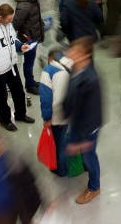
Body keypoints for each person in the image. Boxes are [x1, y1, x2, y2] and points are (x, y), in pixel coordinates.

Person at [63, 37, 103, 205]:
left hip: (87, 129)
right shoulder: (75, 69)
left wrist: (85, 140)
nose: (70, 53)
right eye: (71, 50)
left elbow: (94, 111)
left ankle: (94, 187)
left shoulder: (91, 79)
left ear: (86, 56)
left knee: (89, 156)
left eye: (76, 52)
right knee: (69, 148)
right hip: (76, 122)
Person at [39, 49, 74, 177]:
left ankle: (61, 170)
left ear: (50, 59)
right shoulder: (74, 66)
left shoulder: (48, 71)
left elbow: (46, 98)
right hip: (74, 112)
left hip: (58, 116)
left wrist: (47, 118)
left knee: (59, 143)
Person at [12, 0, 44, 96]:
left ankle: (31, 81)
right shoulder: (24, 5)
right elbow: (15, 24)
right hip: (28, 39)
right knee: (29, 63)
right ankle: (30, 86)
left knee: (30, 62)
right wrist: (23, 34)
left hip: (33, 35)